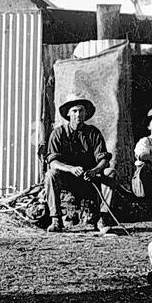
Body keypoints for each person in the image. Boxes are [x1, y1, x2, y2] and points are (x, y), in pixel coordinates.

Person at [43, 97, 112, 233]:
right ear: (68, 114)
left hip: (90, 178)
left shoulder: (93, 133)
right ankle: (56, 220)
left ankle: (103, 218)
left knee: (111, 173)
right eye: (74, 111)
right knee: (51, 175)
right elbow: (53, 162)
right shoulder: (58, 133)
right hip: (67, 179)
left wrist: (95, 170)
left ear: (86, 114)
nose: (78, 114)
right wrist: (70, 169)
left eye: (81, 111)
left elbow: (104, 159)